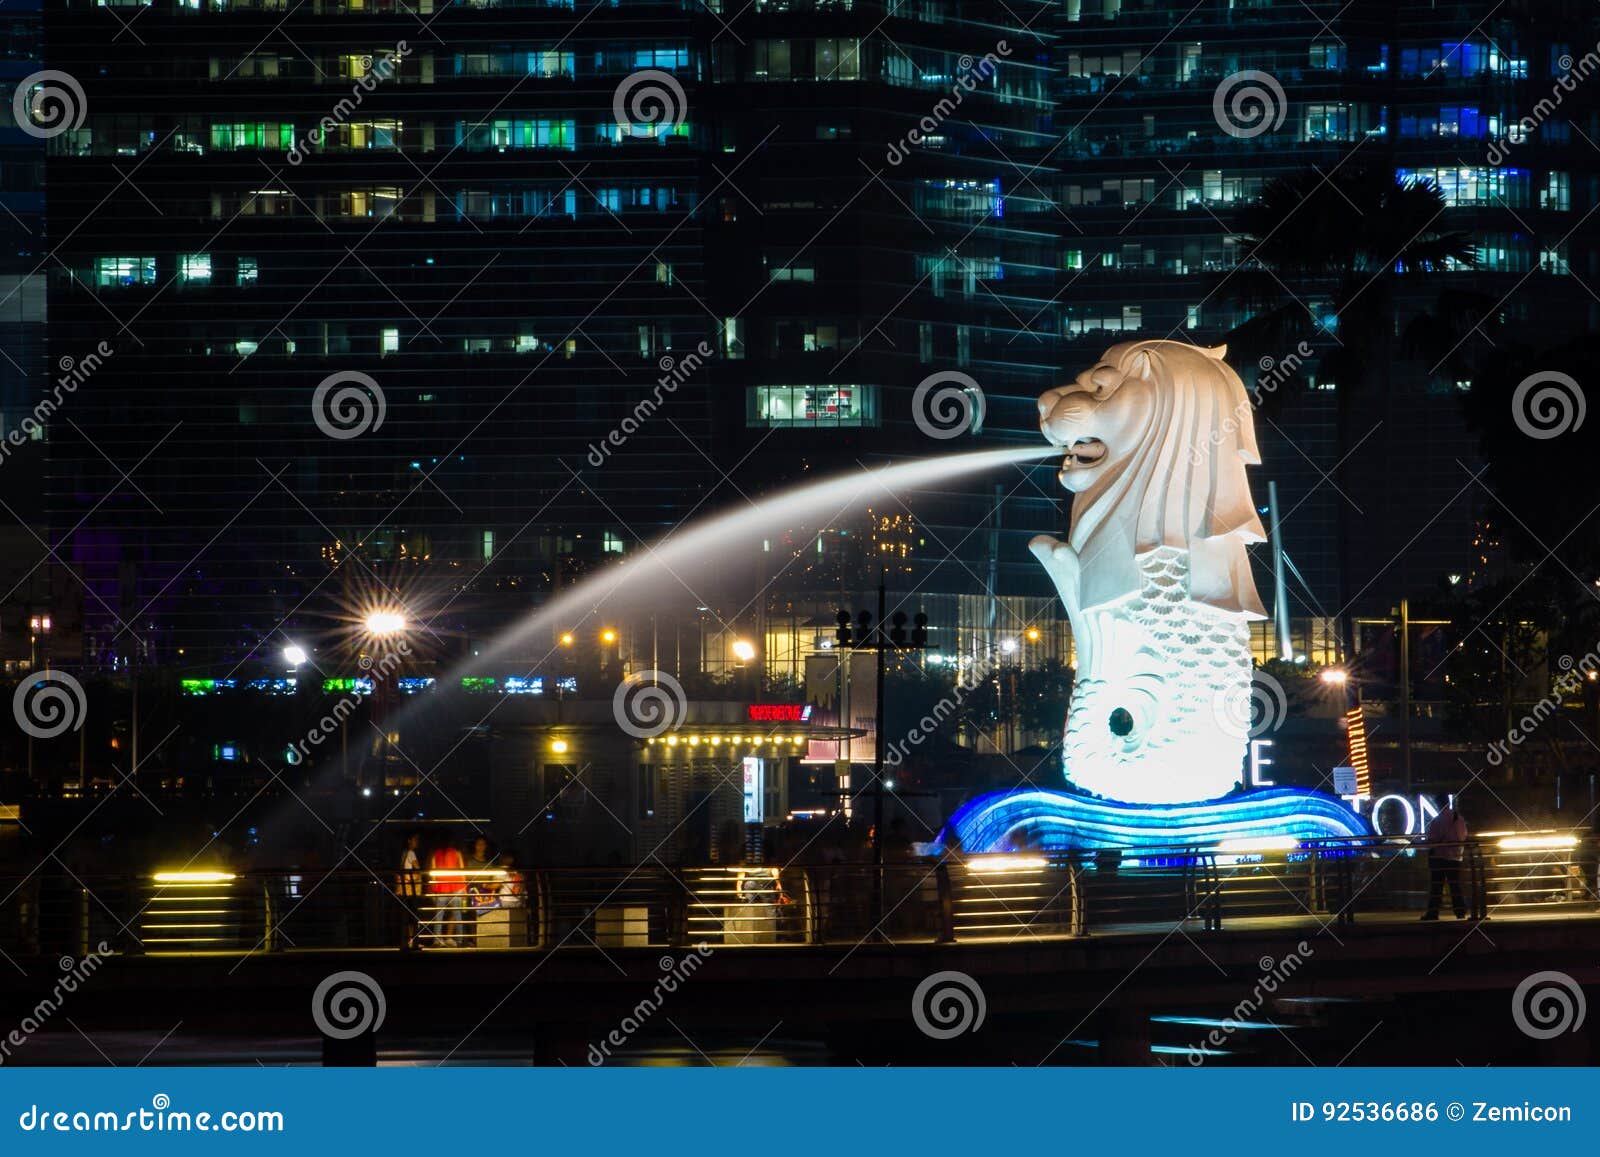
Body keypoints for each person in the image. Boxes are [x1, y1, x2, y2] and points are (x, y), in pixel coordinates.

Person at [1422, 801, 1470, 920]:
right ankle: (1460, 911)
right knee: (1455, 885)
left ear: (1439, 804)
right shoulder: (1459, 819)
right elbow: (1464, 836)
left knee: (1437, 886)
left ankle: (1433, 912)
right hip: (1456, 857)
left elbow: (1432, 839)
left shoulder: (1437, 821)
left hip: (1440, 857)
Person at [426, 833, 468, 946]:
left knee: (439, 915)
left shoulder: (436, 853)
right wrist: (465, 887)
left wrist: (433, 887)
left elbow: (433, 872)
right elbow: (462, 870)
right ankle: (460, 940)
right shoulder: (457, 853)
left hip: (441, 886)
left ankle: (436, 940)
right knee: (457, 914)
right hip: (456, 885)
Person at [397, 832, 424, 949]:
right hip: (411, 888)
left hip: (403, 888)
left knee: (406, 916)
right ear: (409, 841)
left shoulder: (403, 853)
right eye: (415, 840)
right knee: (413, 915)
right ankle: (414, 942)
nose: (417, 843)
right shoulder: (411, 853)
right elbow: (417, 868)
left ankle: (406, 942)